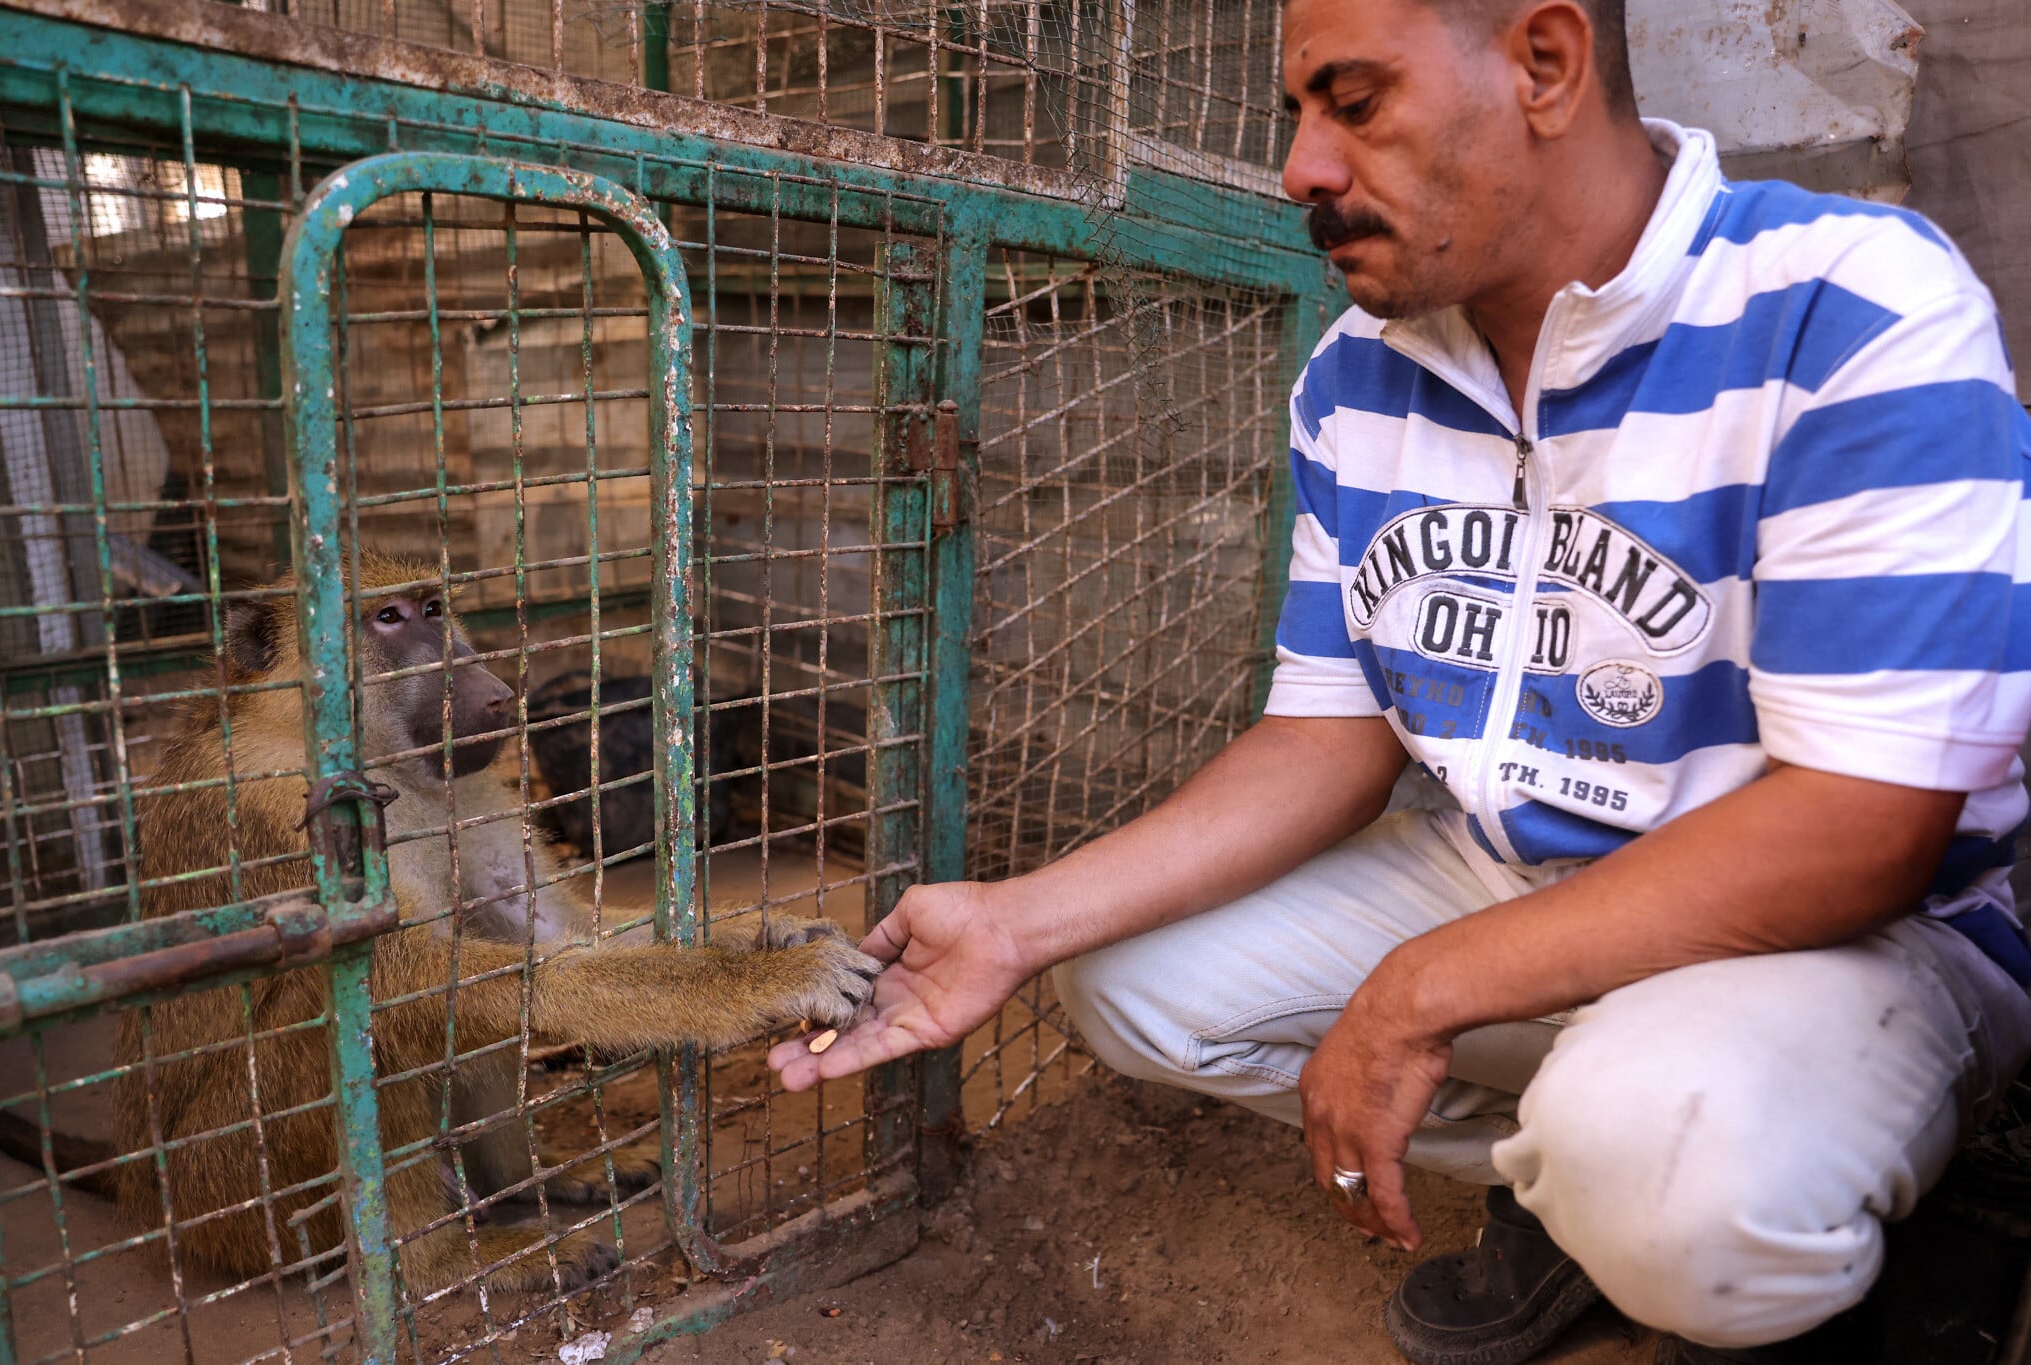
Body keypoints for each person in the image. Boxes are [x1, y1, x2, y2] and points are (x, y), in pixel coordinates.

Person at [767, 0, 2031, 1358]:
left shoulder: (1845, 304)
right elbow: (1327, 738)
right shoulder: (1357, 378)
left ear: (1545, 65)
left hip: (1859, 936)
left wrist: (1421, 988)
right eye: (1299, 117)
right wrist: (1016, 923)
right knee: (1127, 978)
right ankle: (1586, 1178)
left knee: (1682, 1181)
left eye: (1355, 102)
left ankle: (1861, 1181)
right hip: (1518, 879)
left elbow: (1866, 824)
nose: (1304, 167)